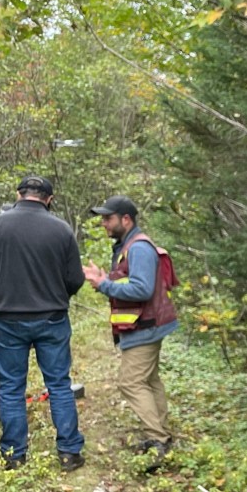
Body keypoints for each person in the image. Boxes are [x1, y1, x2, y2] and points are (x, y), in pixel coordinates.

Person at [0, 175, 86, 471]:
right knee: (59, 384)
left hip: (7, 318)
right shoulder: (61, 229)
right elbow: (75, 279)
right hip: (52, 317)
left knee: (10, 387)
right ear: (49, 198)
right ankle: (69, 453)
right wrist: (58, 295)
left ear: (19, 194)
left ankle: (14, 455)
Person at [82, 195, 178, 468]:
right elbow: (130, 281)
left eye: (108, 218)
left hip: (145, 328)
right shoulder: (129, 246)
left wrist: (103, 285)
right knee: (149, 380)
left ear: (126, 219)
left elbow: (142, 289)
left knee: (131, 382)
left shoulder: (139, 248)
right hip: (145, 324)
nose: (103, 223)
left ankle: (158, 440)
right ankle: (162, 434)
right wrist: (107, 278)